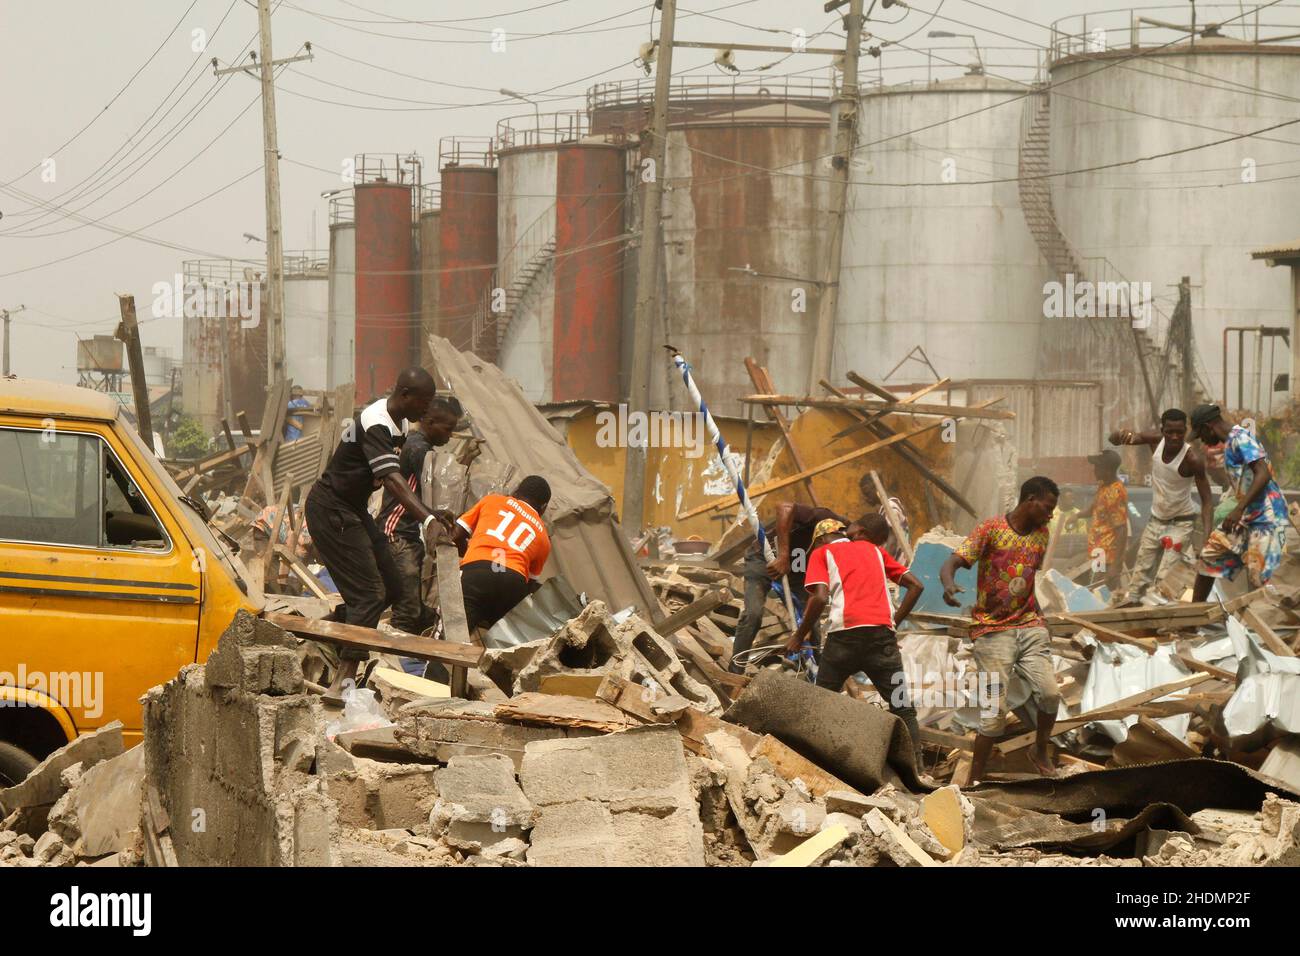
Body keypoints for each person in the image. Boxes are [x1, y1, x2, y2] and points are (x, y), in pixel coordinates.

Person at [304, 367, 451, 697]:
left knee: (394, 588)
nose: (426, 411)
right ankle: (341, 685)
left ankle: (328, 630)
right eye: (423, 403)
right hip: (331, 509)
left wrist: (432, 513)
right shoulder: (376, 421)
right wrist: (427, 521)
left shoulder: (400, 423)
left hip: (352, 508)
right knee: (369, 594)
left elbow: (402, 482)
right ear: (405, 396)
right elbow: (393, 481)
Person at [940, 476, 1062, 785]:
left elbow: (1030, 577)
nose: (1050, 515)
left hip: (1030, 625)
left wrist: (1042, 619)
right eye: (1047, 508)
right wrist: (949, 585)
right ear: (1030, 499)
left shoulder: (1042, 533)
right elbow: (952, 562)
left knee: (1050, 694)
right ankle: (975, 782)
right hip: (993, 631)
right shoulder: (990, 529)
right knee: (993, 713)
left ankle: (1039, 750)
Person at [786, 514, 926, 763]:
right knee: (902, 706)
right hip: (881, 636)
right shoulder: (875, 551)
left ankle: (813, 762)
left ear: (820, 540)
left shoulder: (822, 553)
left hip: (844, 637)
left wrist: (798, 636)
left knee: (821, 702)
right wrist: (893, 623)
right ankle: (918, 769)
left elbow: (819, 598)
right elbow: (916, 585)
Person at [375, 396, 463, 636]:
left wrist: (433, 514)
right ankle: (391, 667)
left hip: (405, 533)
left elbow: (420, 498)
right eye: (448, 429)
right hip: (396, 533)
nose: (450, 436)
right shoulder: (418, 449)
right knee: (406, 610)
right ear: (431, 422)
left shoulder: (416, 445)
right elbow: (426, 492)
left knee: (410, 604)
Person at [1109, 409, 1214, 601]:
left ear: (1186, 430)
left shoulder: (1192, 459)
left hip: (1181, 524)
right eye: (1169, 432)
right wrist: (1119, 436)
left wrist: (1207, 537)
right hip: (1155, 520)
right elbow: (1117, 439)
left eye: (1180, 432)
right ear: (1162, 430)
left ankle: (1162, 626)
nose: (1175, 437)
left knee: (1164, 580)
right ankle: (1133, 619)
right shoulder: (1155, 440)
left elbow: (1207, 500)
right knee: (1139, 578)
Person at [730, 500, 846, 674]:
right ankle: (734, 672)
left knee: (811, 624)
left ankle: (821, 678)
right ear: (823, 538)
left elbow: (817, 595)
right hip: (764, 557)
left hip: (797, 566)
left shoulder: (846, 548)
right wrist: (783, 557)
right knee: (753, 614)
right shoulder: (824, 518)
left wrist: (802, 629)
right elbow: (784, 507)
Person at [1188, 404, 1288, 601]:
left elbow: (1263, 473)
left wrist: (1238, 509)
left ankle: (1261, 628)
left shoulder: (1240, 437)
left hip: (1267, 517)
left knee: (1258, 577)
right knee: (1210, 557)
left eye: (1201, 435)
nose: (1203, 441)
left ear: (1208, 427)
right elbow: (1242, 483)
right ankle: (1192, 620)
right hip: (1246, 515)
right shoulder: (1230, 443)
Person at [452, 476, 553, 634]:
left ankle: (437, 659)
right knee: (503, 649)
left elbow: (456, 534)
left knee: (451, 638)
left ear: (516, 491)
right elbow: (530, 584)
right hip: (513, 581)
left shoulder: (492, 501)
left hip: (476, 571)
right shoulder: (544, 537)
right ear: (544, 507)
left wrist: (471, 553)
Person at [1085, 449, 1128, 592]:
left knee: (1100, 593)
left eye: (1098, 467)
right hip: (1099, 551)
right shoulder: (1103, 486)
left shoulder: (1114, 492)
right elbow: (1093, 508)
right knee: (1094, 591)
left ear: (1108, 470)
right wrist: (1076, 516)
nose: (1094, 470)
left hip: (1107, 555)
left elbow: (1122, 529)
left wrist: (1116, 566)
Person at [859, 474, 910, 561]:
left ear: (876, 488)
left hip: (897, 564)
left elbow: (892, 542)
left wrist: (882, 565)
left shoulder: (890, 507)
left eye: (867, 493)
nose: (866, 498)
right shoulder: (888, 506)